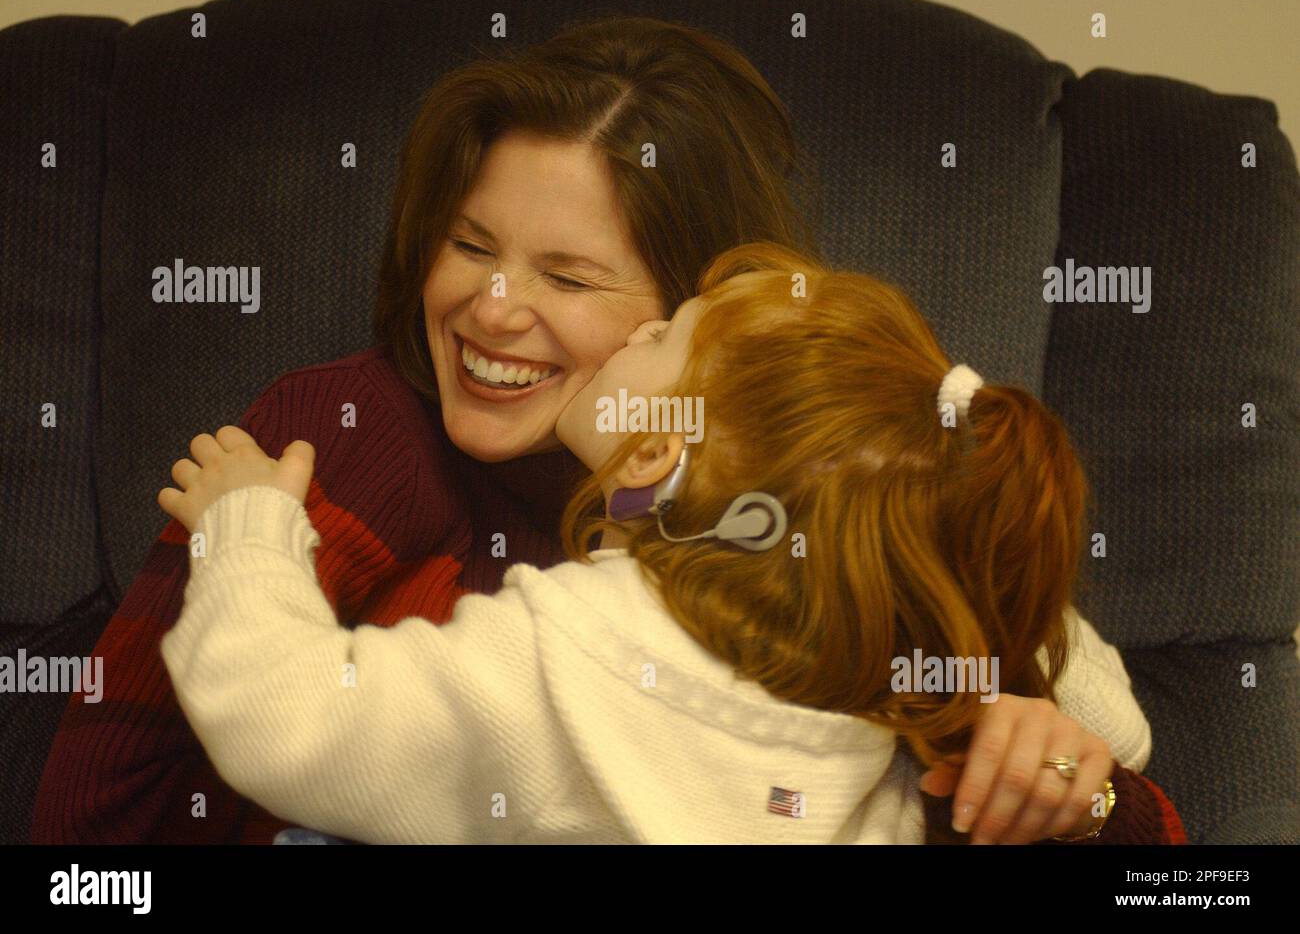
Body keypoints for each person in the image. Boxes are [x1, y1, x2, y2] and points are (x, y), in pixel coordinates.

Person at [156, 241, 1184, 844]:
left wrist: (247, 530)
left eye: (667, 335)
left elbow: (282, 713)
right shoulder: (881, 686)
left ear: (654, 458)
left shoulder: (564, 653)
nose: (635, 338)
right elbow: (1118, 737)